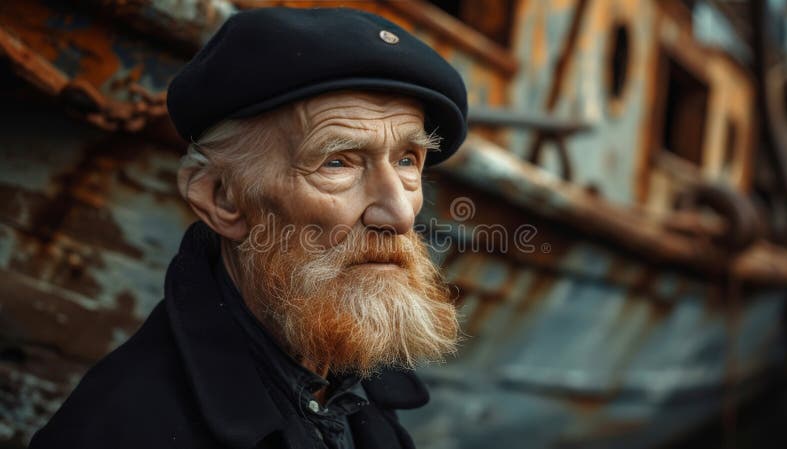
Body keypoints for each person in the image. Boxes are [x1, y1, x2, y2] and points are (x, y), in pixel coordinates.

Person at [29, 6, 468, 449]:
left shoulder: (356, 387)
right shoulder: (123, 430)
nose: (400, 214)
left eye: (407, 160)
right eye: (338, 162)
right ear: (223, 199)